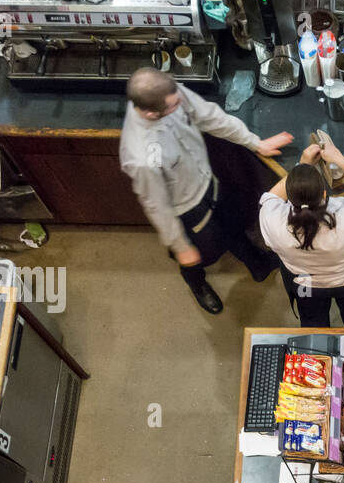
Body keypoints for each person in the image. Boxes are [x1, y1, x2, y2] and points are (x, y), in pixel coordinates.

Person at [119, 68, 292, 314]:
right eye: (172, 106)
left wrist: (255, 142)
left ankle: (257, 263)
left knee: (233, 223)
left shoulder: (171, 93)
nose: (180, 104)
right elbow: (156, 205)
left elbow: (210, 117)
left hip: (208, 181)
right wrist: (180, 246)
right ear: (149, 113)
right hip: (187, 208)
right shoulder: (142, 155)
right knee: (201, 253)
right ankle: (197, 283)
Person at [259, 139, 344, 328]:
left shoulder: (274, 222)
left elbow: (270, 197)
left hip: (305, 284)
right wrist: (339, 159)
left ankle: (319, 352)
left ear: (290, 197)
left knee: (312, 321)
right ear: (324, 194)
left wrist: (302, 166)